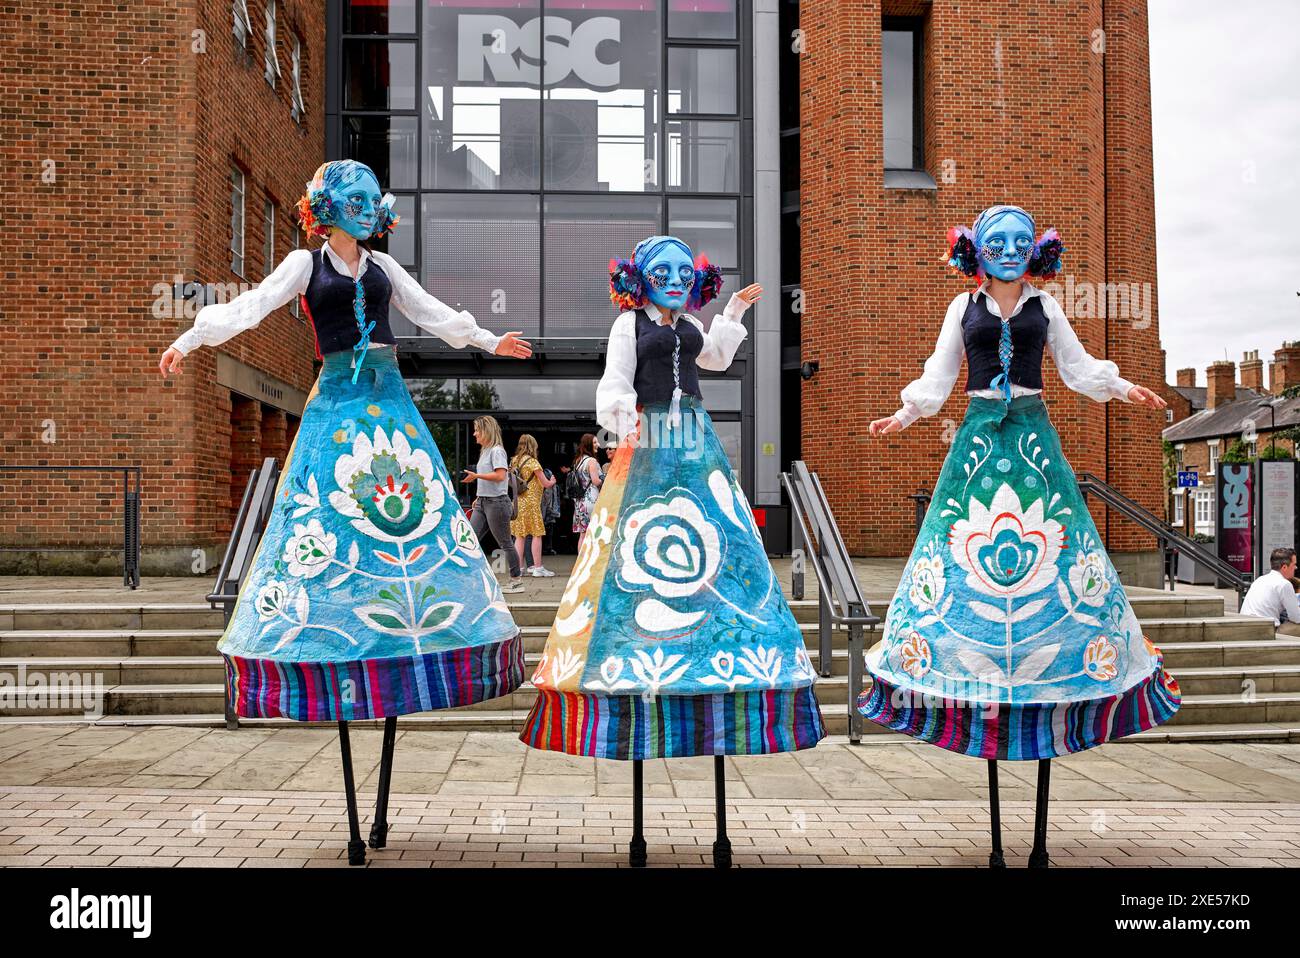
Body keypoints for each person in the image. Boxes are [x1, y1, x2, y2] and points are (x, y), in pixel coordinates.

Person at [156, 159, 531, 863]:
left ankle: (413, 645)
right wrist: (189, 337)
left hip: (388, 404)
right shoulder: (304, 265)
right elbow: (249, 308)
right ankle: (333, 645)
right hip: (335, 405)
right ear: (326, 212)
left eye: (369, 205)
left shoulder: (384, 266)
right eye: (352, 205)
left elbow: (432, 314)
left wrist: (488, 342)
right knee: (328, 527)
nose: (364, 214)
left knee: (409, 531)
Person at [859, 204, 1180, 868]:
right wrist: (905, 413)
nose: (1007, 250)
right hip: (978, 439)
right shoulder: (961, 306)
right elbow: (941, 373)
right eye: (995, 241)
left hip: (1033, 439)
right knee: (963, 560)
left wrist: (1122, 389)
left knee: (1052, 558)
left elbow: (1078, 367)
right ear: (974, 249)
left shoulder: (1045, 307)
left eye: (1018, 241)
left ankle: (1056, 681)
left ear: (1036, 250)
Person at [521, 235, 823, 867]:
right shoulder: (628, 324)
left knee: (714, 545)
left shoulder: (688, 323)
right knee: (637, 555)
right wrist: (624, 418)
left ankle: (714, 651)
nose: (676, 280)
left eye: (685, 272)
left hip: (696, 443)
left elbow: (713, 360)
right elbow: (614, 382)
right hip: (650, 444)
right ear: (641, 277)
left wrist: (734, 313)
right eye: (663, 272)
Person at [463, 415, 525, 593]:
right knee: (470, 539)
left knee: (505, 542)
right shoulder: (485, 450)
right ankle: (471, 577)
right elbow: (489, 479)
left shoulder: (497, 451)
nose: (474, 434)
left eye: (477, 430)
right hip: (482, 502)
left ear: (486, 431)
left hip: (497, 503)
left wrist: (477, 476)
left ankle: (516, 580)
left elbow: (500, 476)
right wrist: (478, 495)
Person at [509, 433, 556, 577]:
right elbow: (545, 483)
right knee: (537, 534)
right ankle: (538, 568)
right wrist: (552, 481)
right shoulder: (533, 462)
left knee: (519, 536)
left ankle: (520, 569)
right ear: (532, 446)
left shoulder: (514, 461)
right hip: (531, 503)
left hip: (517, 502)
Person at [1240, 547, 1300, 636]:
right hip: (1266, 631)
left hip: (1245, 627)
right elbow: (1296, 618)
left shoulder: (1259, 580)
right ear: (1284, 567)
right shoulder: (1284, 584)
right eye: (1294, 564)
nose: (1296, 567)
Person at [566, 433, 604, 544]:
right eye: (595, 442)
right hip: (591, 500)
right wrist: (605, 478)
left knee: (583, 534)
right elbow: (596, 481)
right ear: (588, 445)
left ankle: (581, 560)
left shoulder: (578, 461)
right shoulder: (591, 461)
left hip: (579, 501)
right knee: (593, 532)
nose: (598, 445)